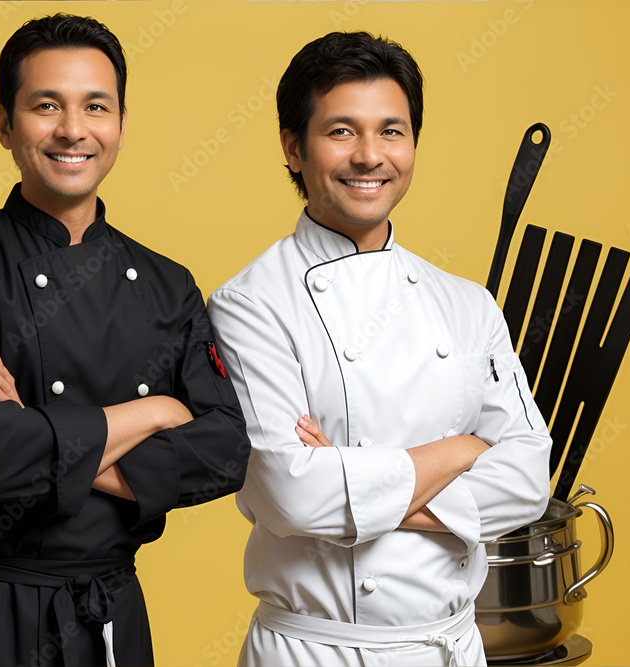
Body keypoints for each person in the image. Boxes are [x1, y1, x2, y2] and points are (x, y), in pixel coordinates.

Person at [0, 14, 250, 667]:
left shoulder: (166, 283)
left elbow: (226, 451)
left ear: (120, 123)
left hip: (110, 609)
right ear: (5, 124)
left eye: (96, 106)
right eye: (45, 106)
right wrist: (154, 413)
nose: (72, 129)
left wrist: (36, 427)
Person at [206, 32, 551, 666]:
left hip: (453, 647)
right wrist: (462, 450)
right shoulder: (250, 304)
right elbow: (291, 496)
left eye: (391, 131)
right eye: (341, 131)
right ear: (293, 147)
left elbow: (529, 481)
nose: (370, 156)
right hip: (320, 650)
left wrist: (347, 479)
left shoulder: (466, 303)